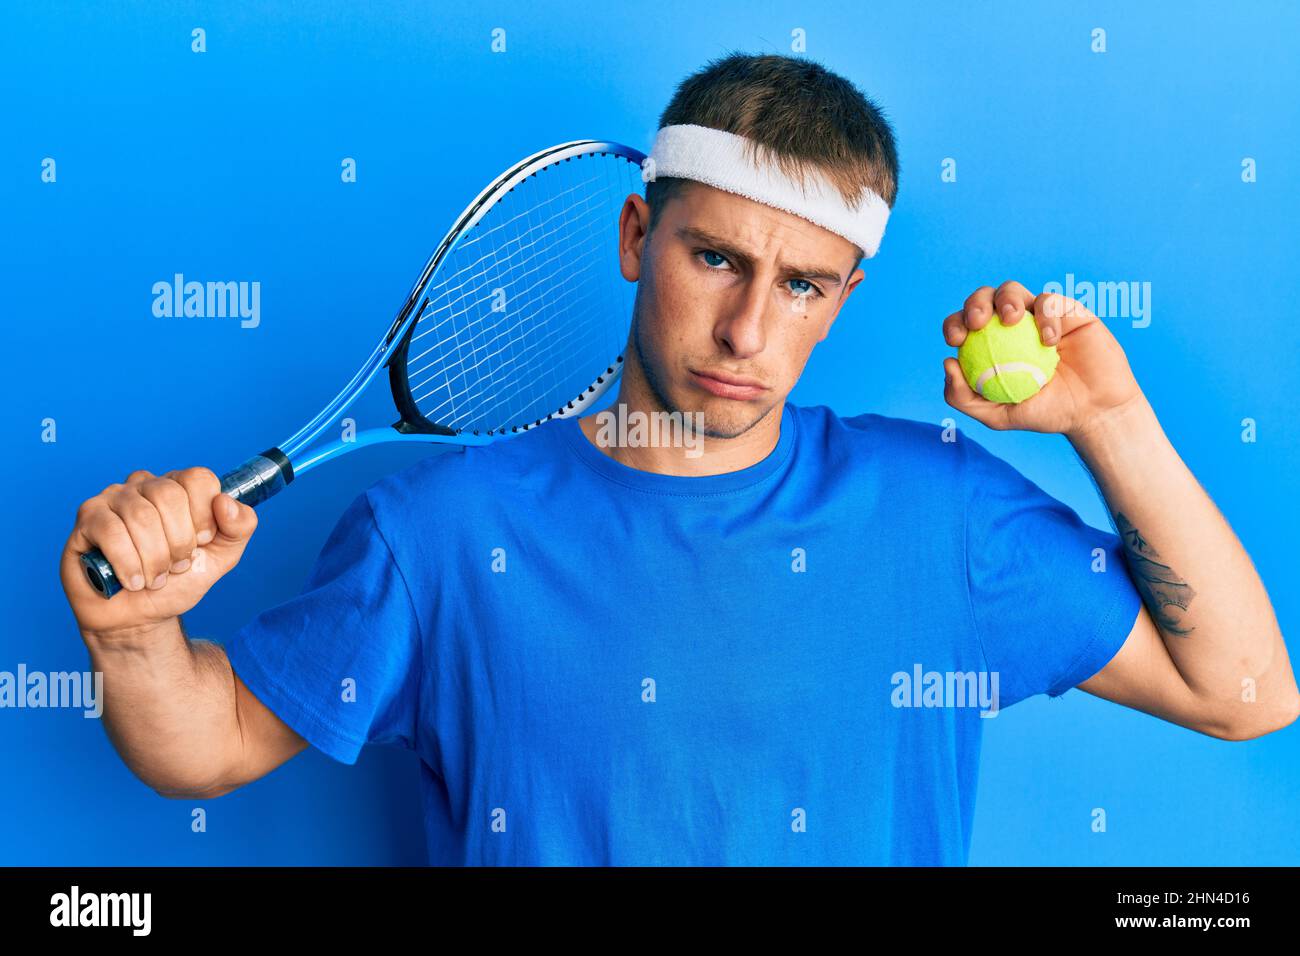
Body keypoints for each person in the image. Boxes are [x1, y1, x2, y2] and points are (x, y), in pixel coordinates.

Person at [61, 53, 1299, 865]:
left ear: (843, 296)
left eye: (801, 284)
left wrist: (1110, 419)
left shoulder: (940, 510)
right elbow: (204, 744)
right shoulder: (438, 531)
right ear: (636, 233)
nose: (749, 330)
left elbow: (1246, 693)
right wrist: (133, 640)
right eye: (715, 258)